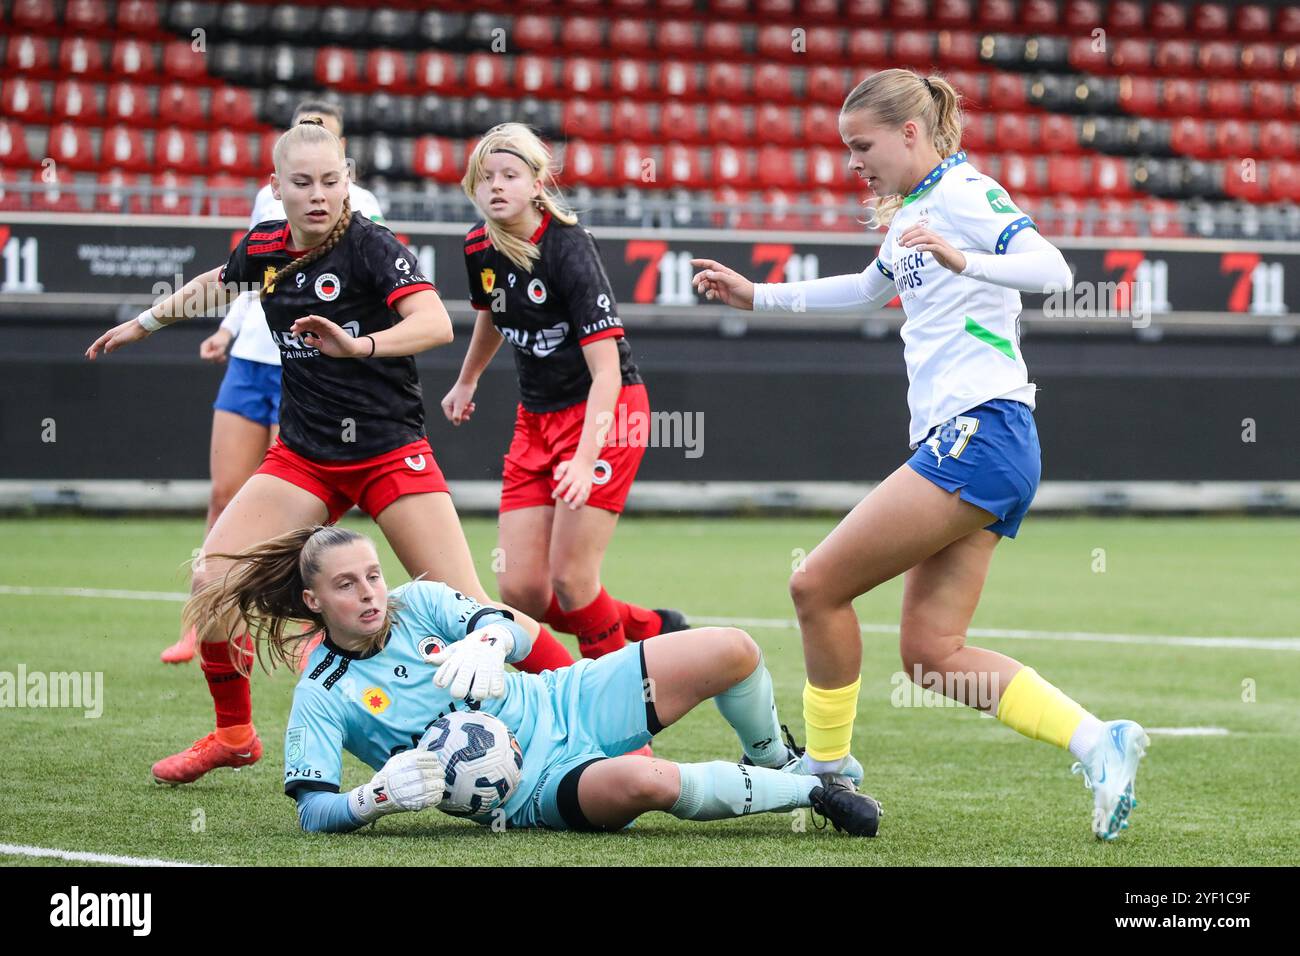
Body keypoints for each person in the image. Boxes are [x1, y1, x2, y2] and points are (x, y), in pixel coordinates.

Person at [690, 69, 1148, 841]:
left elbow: (1053, 270)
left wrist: (971, 262)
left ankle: (827, 770)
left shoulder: (964, 194)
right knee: (933, 655)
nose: (852, 163)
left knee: (816, 585)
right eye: (845, 149)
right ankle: (1097, 740)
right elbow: (868, 292)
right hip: (984, 439)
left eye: (861, 146)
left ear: (911, 132)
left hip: (982, 429)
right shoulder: (913, 212)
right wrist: (758, 296)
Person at [86, 120, 574, 786]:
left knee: (471, 611)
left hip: (386, 449)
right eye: (304, 183)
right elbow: (217, 280)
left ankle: (584, 698)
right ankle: (233, 735)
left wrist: (359, 345)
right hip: (307, 456)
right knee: (211, 581)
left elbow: (434, 322)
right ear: (276, 188)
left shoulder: (372, 245)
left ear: (348, 179)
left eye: (331, 180)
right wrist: (142, 323)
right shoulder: (265, 245)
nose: (320, 195)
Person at [183, 524, 882, 836]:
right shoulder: (322, 693)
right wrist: (369, 799)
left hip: (565, 697)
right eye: (347, 585)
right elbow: (313, 812)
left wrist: (492, 639)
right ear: (313, 603)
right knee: (650, 784)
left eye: (372, 574)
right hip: (530, 789)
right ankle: (816, 792)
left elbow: (505, 621)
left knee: (732, 649)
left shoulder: (417, 602)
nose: (370, 593)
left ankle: (772, 758)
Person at [443, 123, 686, 660]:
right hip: (538, 417)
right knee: (522, 591)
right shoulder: (479, 246)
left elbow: (609, 373)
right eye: (485, 179)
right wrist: (467, 379)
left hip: (608, 412)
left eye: (510, 175)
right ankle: (648, 625)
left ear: (537, 183)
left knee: (573, 580)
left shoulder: (568, 248)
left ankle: (615, 715)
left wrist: (583, 458)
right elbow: (492, 314)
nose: (497, 186)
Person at [162, 98, 386, 666]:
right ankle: (207, 611)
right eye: (302, 138)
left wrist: (363, 350)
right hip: (254, 357)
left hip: (308, 371)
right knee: (226, 493)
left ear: (343, 158)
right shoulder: (273, 202)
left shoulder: (362, 214)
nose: (314, 186)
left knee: (298, 510)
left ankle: (304, 615)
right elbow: (247, 275)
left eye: (325, 145)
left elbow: (380, 292)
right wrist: (228, 330)